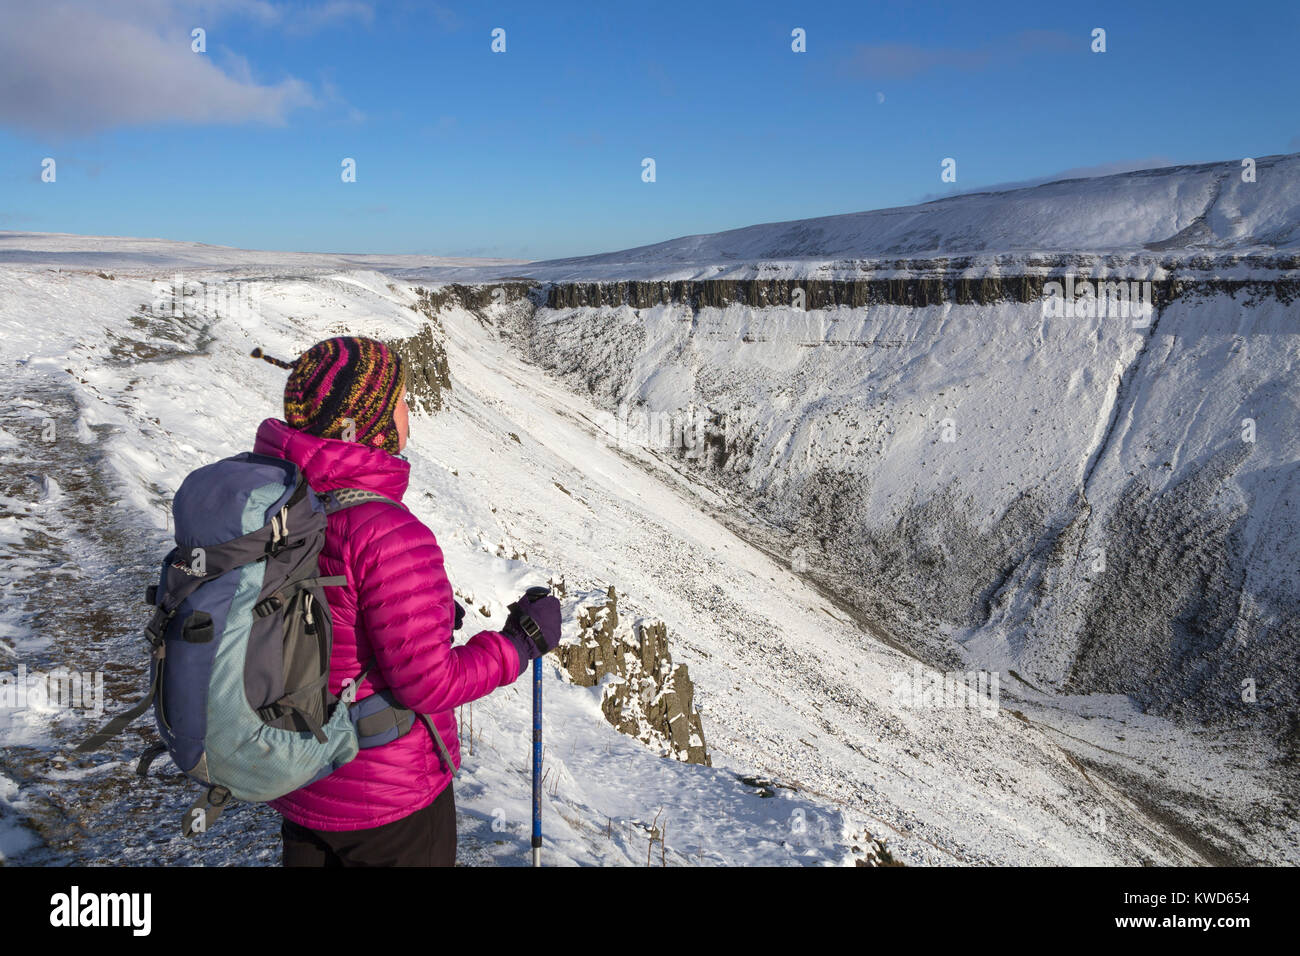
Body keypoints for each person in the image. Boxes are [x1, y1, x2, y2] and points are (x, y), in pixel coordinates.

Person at [249, 335, 561, 866]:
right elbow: (429, 684)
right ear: (363, 421)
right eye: (400, 400)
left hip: (299, 778)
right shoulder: (383, 531)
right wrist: (520, 643)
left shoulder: (274, 500)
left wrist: (408, 621)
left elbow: (323, 618)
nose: (410, 412)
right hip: (385, 799)